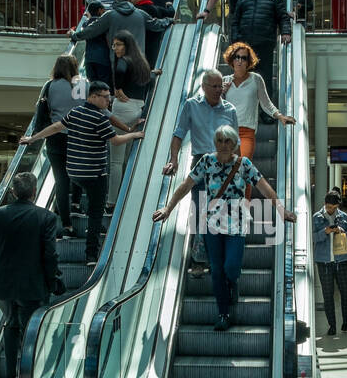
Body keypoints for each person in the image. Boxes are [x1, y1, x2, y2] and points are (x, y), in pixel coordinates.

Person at [153, 124, 295, 330]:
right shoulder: (207, 161)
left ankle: (233, 282)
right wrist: (168, 208)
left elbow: (264, 188)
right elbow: (186, 185)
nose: (224, 145)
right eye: (220, 140)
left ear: (235, 143)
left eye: (228, 141)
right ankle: (223, 313)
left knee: (231, 267)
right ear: (215, 143)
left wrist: (282, 210)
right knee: (217, 270)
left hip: (236, 224)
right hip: (213, 225)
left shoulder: (244, 164)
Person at [20, 82, 144, 265]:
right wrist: (134, 135)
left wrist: (33, 138)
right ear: (93, 97)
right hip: (95, 174)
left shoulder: (76, 112)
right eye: (104, 97)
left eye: (108, 97)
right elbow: (116, 141)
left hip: (75, 173)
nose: (108, 101)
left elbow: (56, 127)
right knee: (95, 213)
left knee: (88, 201)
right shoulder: (100, 119)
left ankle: (82, 221)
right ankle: (91, 254)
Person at [0, 171, 62, 378]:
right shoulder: (46, 217)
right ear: (34, 192)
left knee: (11, 325)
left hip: (5, 285)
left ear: (13, 192)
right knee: (30, 332)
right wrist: (54, 281)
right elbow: (49, 254)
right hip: (33, 286)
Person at [163, 70, 239, 277]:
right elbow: (179, 134)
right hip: (201, 163)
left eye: (220, 86)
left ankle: (217, 260)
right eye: (214, 86)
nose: (218, 90)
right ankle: (198, 260)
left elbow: (236, 142)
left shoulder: (230, 109)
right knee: (200, 212)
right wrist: (174, 159)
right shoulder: (191, 105)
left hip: (224, 164)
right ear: (203, 87)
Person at [221, 40, 294, 165]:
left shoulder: (255, 79)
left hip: (247, 132)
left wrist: (280, 116)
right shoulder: (224, 81)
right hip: (227, 132)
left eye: (244, 58)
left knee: (242, 165)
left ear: (248, 62)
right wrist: (222, 93)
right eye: (237, 57)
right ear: (232, 59)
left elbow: (266, 103)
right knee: (228, 169)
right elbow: (214, 108)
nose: (240, 61)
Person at [230, 0, 292, 100]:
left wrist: (286, 32)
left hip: (265, 45)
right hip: (245, 47)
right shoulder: (242, 0)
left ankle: (266, 110)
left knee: (264, 79)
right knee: (244, 80)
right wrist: (235, 41)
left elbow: (283, 17)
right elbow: (235, 23)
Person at [75, 0, 171, 72]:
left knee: (119, 84)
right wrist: (169, 20)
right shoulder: (141, 14)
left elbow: (92, 30)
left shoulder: (109, 15)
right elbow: (156, 24)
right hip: (138, 59)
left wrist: (75, 35)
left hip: (117, 59)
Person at [108, 33, 153, 208]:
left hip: (122, 109)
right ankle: (125, 197)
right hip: (137, 109)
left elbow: (120, 71)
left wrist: (117, 87)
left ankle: (112, 201)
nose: (115, 48)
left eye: (118, 44)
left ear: (127, 45)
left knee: (116, 161)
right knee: (127, 159)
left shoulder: (123, 61)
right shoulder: (141, 63)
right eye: (114, 45)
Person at [41, 54, 83, 235]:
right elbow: (82, 107)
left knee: (61, 180)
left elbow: (43, 108)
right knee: (79, 171)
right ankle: (76, 203)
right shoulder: (79, 84)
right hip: (77, 136)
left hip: (55, 136)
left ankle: (66, 224)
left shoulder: (49, 85)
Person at [313, 190, 347, 336]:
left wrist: (341, 231)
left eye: (334, 207)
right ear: (325, 204)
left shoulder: (344, 217)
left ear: (338, 205)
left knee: (346, 293)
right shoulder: (317, 217)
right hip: (324, 261)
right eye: (328, 207)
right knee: (328, 295)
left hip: (342, 260)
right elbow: (312, 237)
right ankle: (332, 326)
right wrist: (325, 232)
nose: (331, 210)